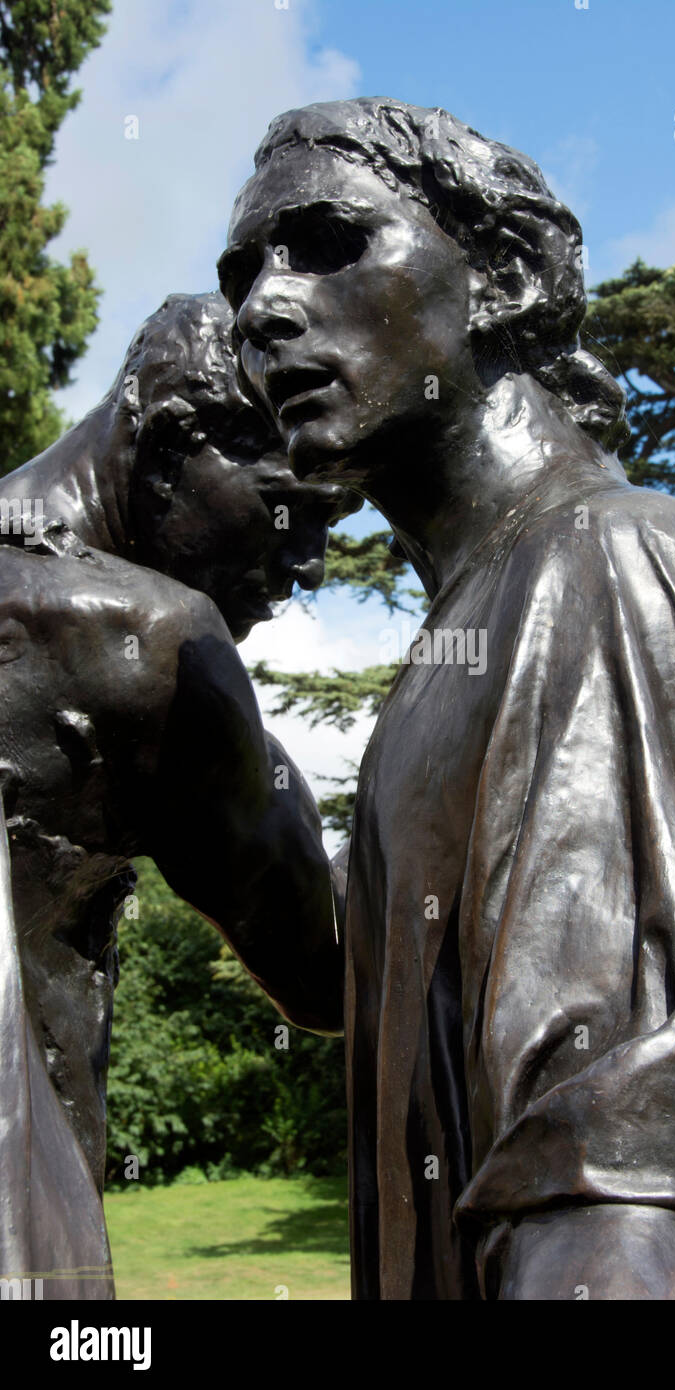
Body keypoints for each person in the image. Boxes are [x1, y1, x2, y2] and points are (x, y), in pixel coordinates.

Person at [218, 97, 675, 1300]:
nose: (262, 307)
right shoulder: (448, 655)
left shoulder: (597, 563)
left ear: (503, 277)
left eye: (329, 242)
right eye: (242, 272)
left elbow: (624, 1153)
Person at [0, 291, 348, 1298]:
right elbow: (327, 968)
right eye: (289, 508)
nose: (305, 565)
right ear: (171, 441)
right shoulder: (142, 640)